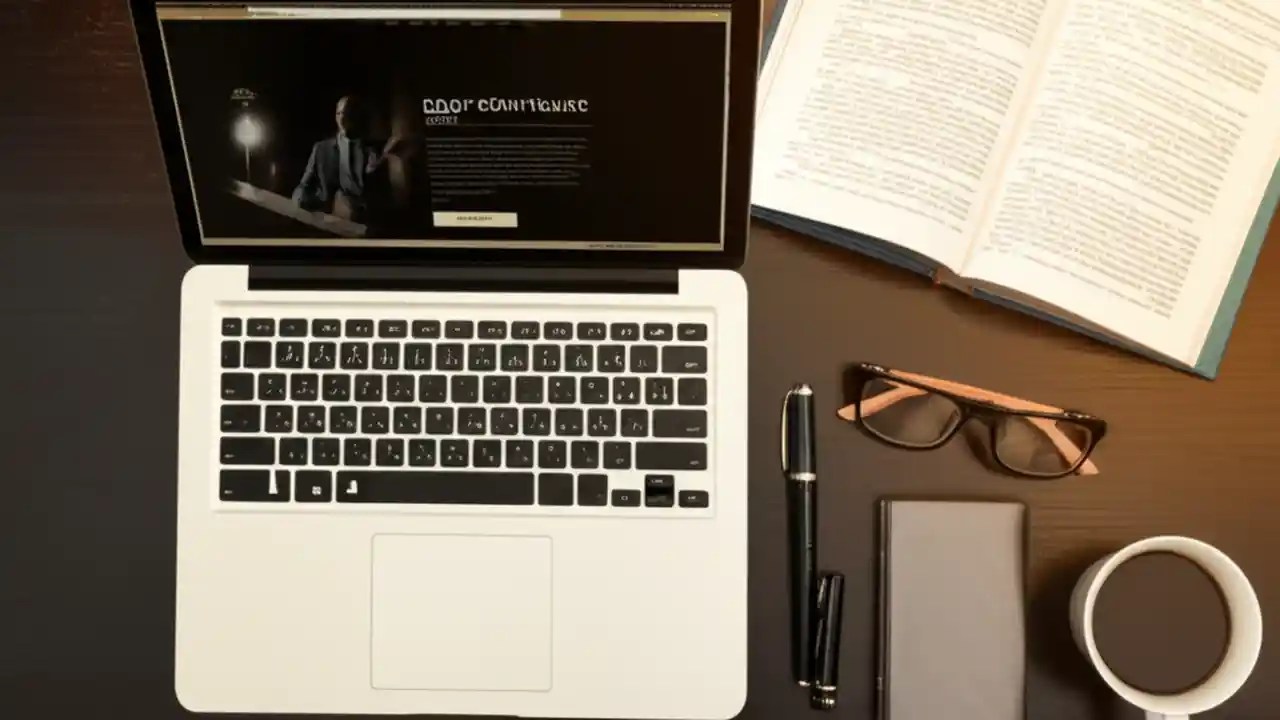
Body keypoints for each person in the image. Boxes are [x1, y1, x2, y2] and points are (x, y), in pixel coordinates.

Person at [292, 95, 403, 224]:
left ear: (358, 117)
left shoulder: (374, 149)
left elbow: (386, 198)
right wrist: (299, 197)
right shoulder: (321, 149)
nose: (342, 119)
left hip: (365, 226)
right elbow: (303, 185)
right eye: (338, 113)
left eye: (347, 113)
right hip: (330, 224)